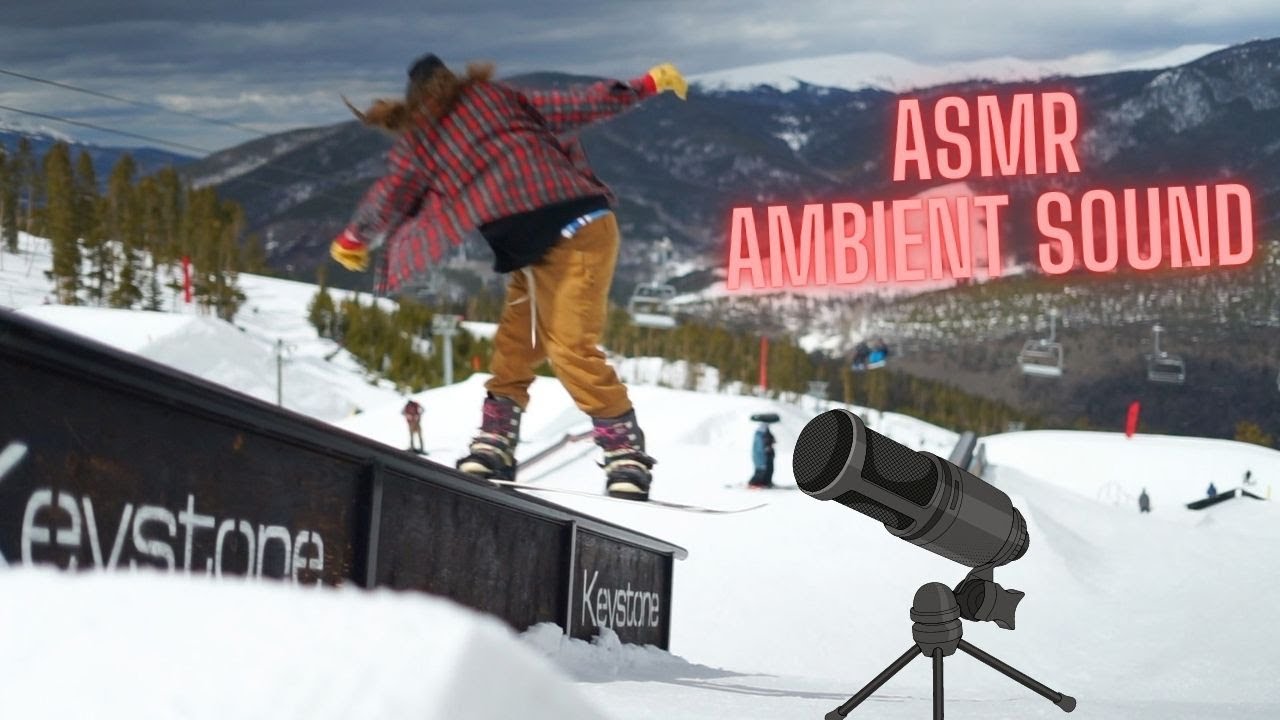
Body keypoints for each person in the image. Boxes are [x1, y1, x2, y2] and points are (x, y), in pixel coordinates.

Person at [331, 53, 688, 501]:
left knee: (569, 345)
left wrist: (353, 237)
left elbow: (392, 194)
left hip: (576, 235)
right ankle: (496, 440)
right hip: (543, 248)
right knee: (514, 350)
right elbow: (578, 104)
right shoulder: (496, 98)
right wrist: (645, 84)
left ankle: (624, 452)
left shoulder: (428, 134)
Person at [747, 421, 776, 488]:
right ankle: (752, 483)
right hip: (760, 456)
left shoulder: (766, 433)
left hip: (766, 456)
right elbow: (759, 447)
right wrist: (765, 448)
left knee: (768, 470)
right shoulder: (759, 435)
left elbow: (773, 440)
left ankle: (766, 482)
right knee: (760, 470)